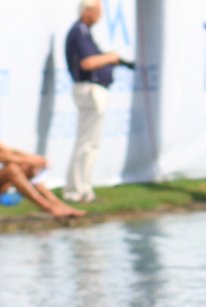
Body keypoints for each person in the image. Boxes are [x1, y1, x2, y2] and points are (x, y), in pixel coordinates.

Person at [0, 97, 83, 219]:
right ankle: (48, 207)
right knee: (12, 169)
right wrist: (33, 160)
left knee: (29, 168)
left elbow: (7, 150)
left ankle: (58, 204)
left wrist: (35, 159)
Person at [64, 0, 126, 204]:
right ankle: (77, 190)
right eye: (98, 11)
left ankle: (83, 187)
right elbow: (88, 62)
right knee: (86, 142)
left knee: (91, 143)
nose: (100, 15)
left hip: (92, 90)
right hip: (89, 90)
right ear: (88, 11)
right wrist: (109, 57)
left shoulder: (84, 33)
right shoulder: (79, 32)